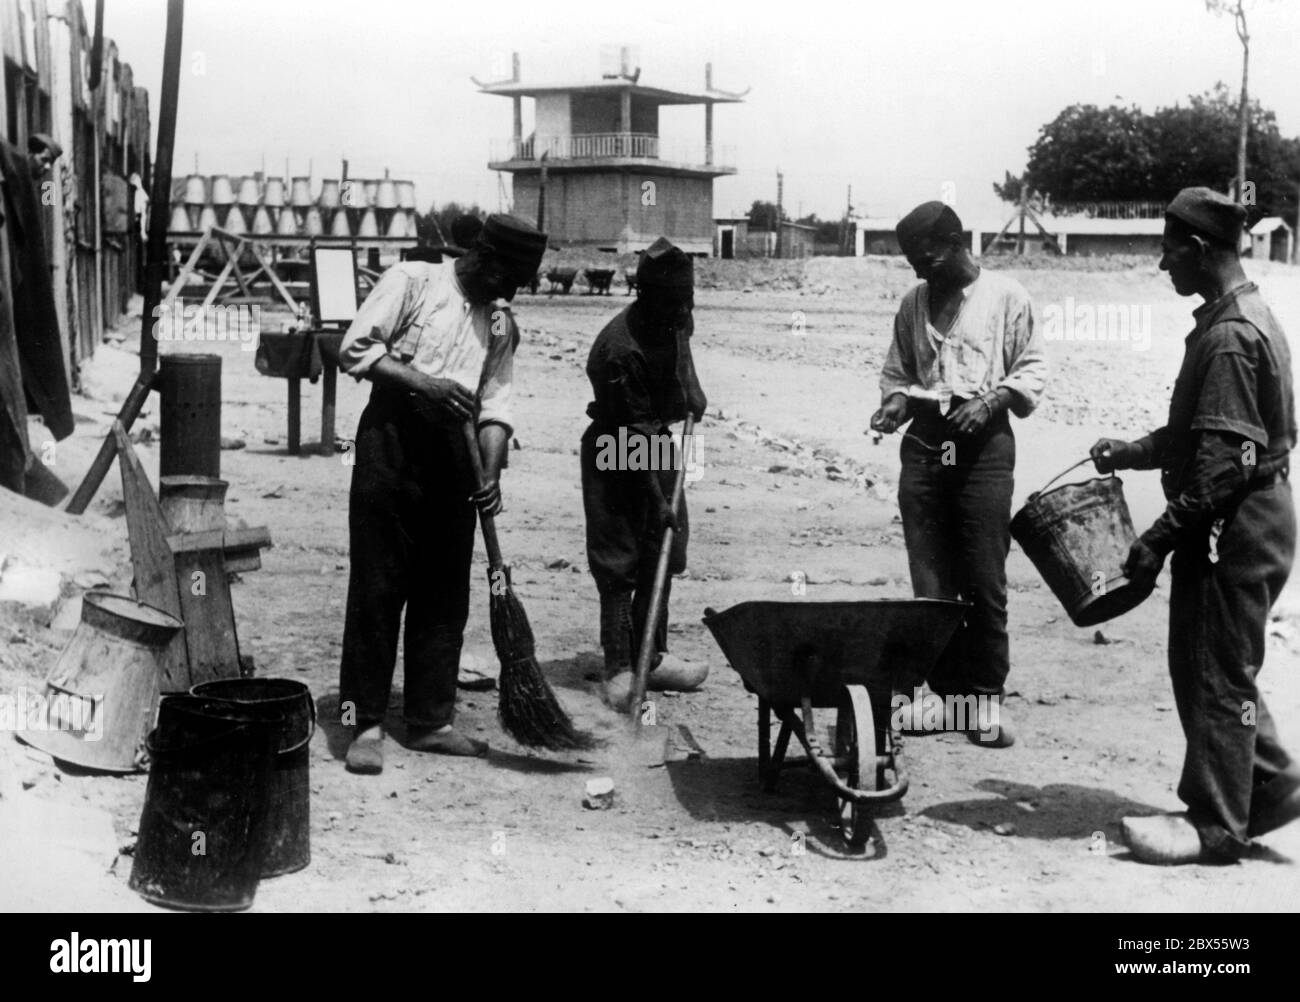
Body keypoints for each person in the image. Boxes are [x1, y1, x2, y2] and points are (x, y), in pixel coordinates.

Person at [1090, 187, 1300, 864]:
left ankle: (1215, 823)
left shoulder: (1232, 337)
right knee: (1219, 661)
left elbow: (1224, 470)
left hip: (1235, 523)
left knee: (1214, 666)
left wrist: (1156, 538)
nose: (1162, 264)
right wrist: (1136, 451)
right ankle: (1269, 783)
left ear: (1201, 250)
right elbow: (1209, 437)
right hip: (1252, 514)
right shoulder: (1240, 316)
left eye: (1169, 250)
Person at [335, 213, 548, 774]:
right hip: (391, 444)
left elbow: (497, 402)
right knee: (378, 588)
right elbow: (355, 350)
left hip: (457, 461)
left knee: (444, 593)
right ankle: (367, 723)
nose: (513, 291)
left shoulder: (501, 322)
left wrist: (491, 471)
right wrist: (423, 385)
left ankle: (431, 720)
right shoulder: (414, 281)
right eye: (511, 277)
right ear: (484, 258)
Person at [871, 201, 1048, 747]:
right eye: (909, 261)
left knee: (983, 575)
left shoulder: (1007, 297)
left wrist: (994, 400)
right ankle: (942, 698)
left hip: (981, 449)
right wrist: (895, 403)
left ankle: (984, 699)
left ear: (954, 243)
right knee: (931, 580)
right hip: (926, 446)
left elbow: (1033, 370)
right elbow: (898, 370)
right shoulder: (913, 302)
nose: (917, 270)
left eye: (924, 258)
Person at [581, 237, 708, 711]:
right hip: (617, 446)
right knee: (619, 561)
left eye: (686, 303)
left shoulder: (674, 314)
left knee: (665, 551)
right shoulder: (619, 350)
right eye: (675, 304)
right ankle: (619, 666)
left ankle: (650, 659)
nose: (683, 312)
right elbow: (633, 437)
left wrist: (693, 391)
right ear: (646, 296)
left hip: (655, 441)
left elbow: (683, 347)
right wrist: (658, 503)